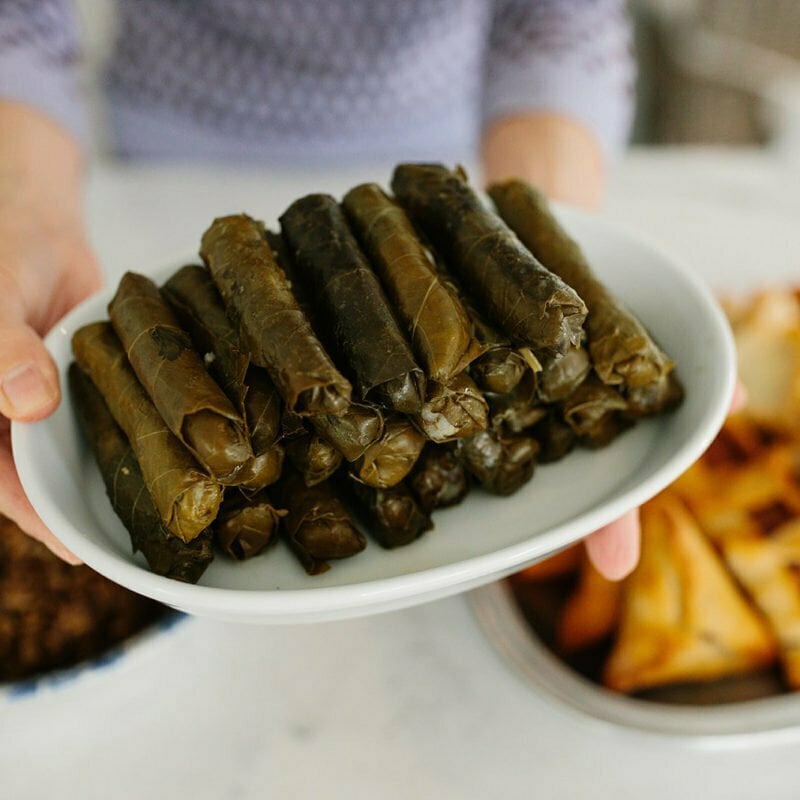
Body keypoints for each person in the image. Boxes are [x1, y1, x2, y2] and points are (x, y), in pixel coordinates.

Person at [0, 0, 639, 577]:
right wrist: (23, 214)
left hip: (436, 171)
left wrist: (535, 240)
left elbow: (558, 16)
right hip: (161, 154)